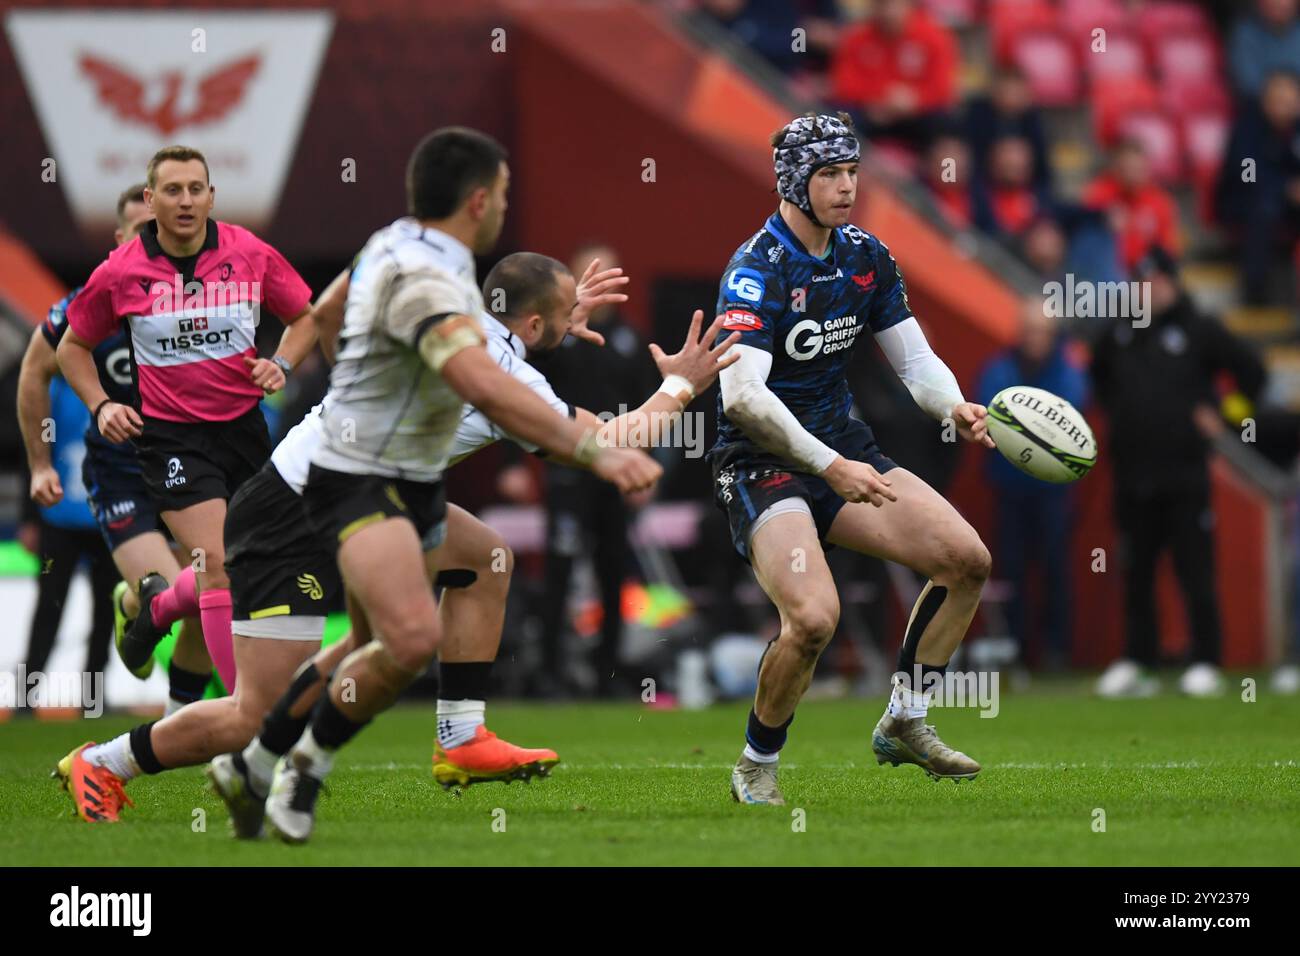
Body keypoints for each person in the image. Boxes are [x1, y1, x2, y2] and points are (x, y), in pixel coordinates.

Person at [261, 127, 660, 844]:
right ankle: (163, 752)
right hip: (323, 487)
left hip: (350, 475)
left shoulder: (429, 276)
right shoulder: (499, 363)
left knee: (478, 564)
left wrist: (342, 393)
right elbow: (591, 428)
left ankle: (458, 738)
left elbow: (324, 314)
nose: (507, 203)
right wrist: (686, 383)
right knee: (275, 693)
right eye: (503, 193)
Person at [710, 112, 995, 805]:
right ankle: (756, 763)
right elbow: (744, 399)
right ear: (793, 182)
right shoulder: (757, 270)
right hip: (762, 463)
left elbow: (914, 359)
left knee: (966, 562)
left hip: (843, 450)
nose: (845, 188)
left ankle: (905, 718)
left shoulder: (865, 255)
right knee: (811, 619)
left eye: (851, 173)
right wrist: (828, 465)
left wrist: (952, 404)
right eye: (829, 175)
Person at [55, 147, 318, 696]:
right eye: (172, 190)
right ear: (150, 201)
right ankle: (249, 718)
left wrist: (283, 362)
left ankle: (153, 614)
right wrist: (102, 404)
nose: (186, 200)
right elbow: (70, 349)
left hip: (244, 431)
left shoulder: (247, 251)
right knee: (218, 566)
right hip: (172, 439)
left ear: (211, 196)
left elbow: (304, 318)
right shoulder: (122, 270)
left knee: (242, 567)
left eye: (196, 188)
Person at [17, 185, 213, 715]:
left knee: (213, 598)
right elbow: (34, 369)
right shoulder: (88, 304)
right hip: (121, 478)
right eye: (144, 229)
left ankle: (181, 722)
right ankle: (135, 607)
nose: (157, 238)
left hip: (189, 473)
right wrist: (38, 464)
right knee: (179, 597)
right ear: (120, 238)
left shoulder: (199, 297)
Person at [1091, 248, 1267, 698]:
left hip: (1185, 475)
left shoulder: (1200, 329)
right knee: (1136, 573)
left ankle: (1207, 659)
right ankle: (1139, 661)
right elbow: (1100, 380)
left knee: (1195, 570)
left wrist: (1226, 415)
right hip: (1132, 475)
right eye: (1141, 284)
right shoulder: (1118, 332)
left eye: (1156, 284)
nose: (1148, 292)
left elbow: (1254, 373)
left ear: (1173, 284)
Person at [533, 242, 662, 697]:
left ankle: (609, 670)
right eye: (594, 275)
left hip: (615, 470)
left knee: (614, 569)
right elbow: (515, 395)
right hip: (568, 468)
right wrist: (515, 463)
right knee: (561, 568)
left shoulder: (631, 340)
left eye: (612, 275)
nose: (604, 285)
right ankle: (548, 673)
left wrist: (644, 464)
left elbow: (652, 408)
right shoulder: (552, 340)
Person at [977, 298, 1089, 670]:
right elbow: (989, 412)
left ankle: (1058, 651)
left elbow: (1073, 414)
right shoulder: (1000, 368)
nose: (1035, 338)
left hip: (1053, 493)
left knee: (1056, 569)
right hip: (1010, 489)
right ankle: (1015, 651)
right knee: (1011, 571)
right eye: (1029, 330)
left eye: (1042, 331)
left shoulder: (1066, 370)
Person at [1215, 69, 1300, 305]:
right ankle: (1256, 294)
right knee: (1263, 209)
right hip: (1244, 200)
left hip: (1289, 203)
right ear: (1265, 101)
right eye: (1277, 101)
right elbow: (1247, 175)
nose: (1283, 107)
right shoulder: (1247, 129)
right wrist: (1285, 188)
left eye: (1289, 101)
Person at [829, 0, 958, 151]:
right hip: (870, 112)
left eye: (896, 4)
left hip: (917, 113)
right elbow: (844, 83)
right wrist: (880, 99)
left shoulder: (935, 37)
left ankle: (935, 173)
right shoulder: (856, 37)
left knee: (945, 125)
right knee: (839, 119)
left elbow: (943, 88)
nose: (889, 12)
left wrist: (916, 99)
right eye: (882, 5)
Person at [1082, 138, 1181, 275]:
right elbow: (1086, 241)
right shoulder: (1098, 195)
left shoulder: (1160, 202)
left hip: (1145, 273)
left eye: (1139, 169)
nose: (1133, 175)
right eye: (1128, 169)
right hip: (1106, 272)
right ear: (1116, 169)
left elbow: (1167, 249)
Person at [1229, 0, 1300, 100]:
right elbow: (1247, 84)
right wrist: (1279, 96)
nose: (1278, 3)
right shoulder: (1245, 34)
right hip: (1257, 108)